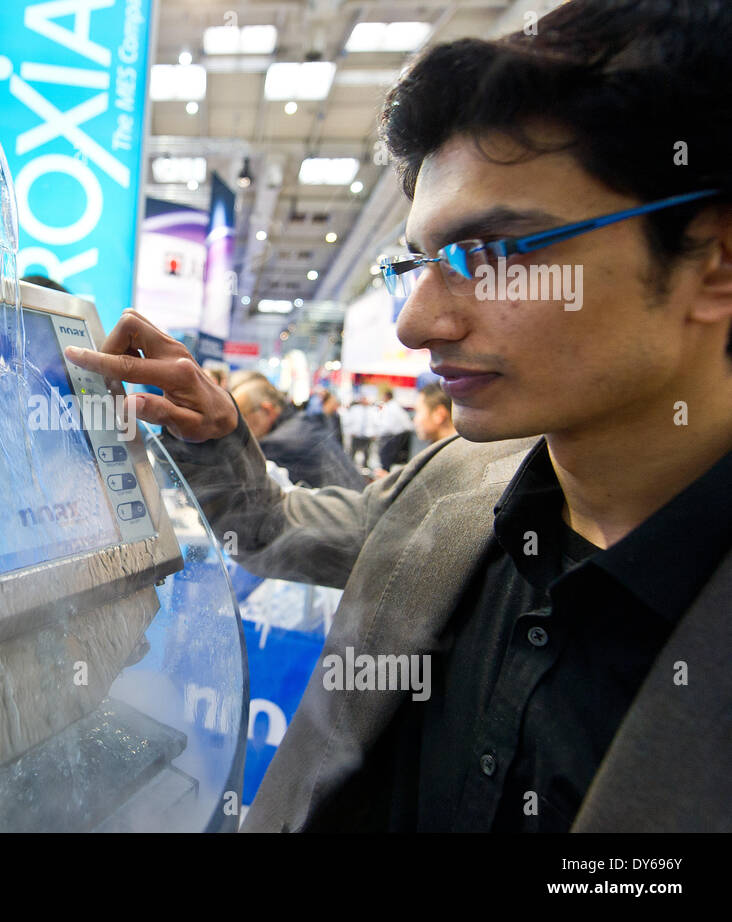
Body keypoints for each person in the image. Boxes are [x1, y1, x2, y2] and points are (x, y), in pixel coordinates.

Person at [64, 0, 732, 831]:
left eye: (491, 255)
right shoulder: (460, 484)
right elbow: (274, 530)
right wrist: (213, 430)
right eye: (419, 262)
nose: (417, 323)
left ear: (712, 262)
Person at [231, 377, 365, 490]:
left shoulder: (277, 444)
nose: (241, 427)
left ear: (267, 410)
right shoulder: (303, 426)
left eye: (243, 417)